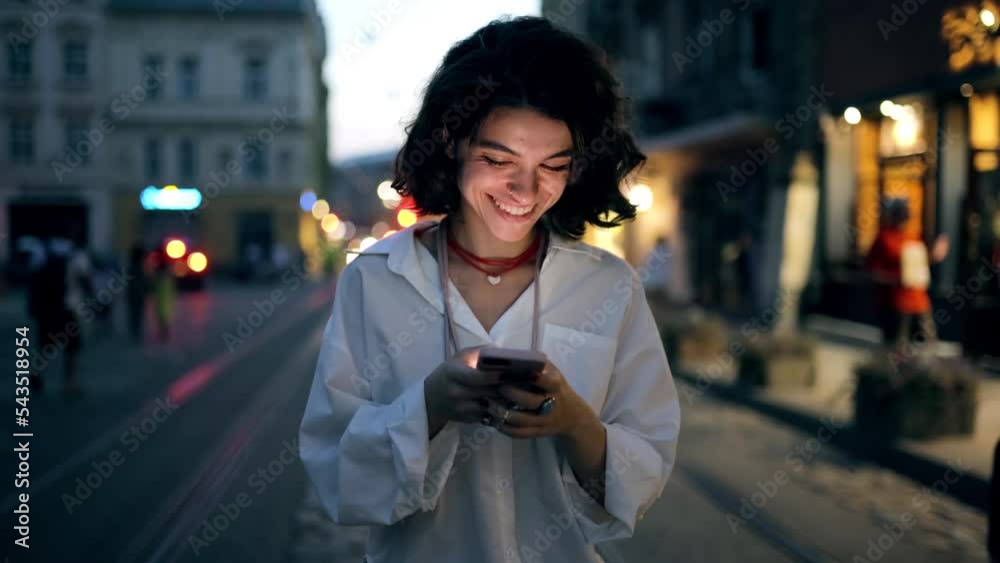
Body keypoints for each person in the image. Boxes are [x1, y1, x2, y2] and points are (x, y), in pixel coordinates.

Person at [299, 17, 681, 563]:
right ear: (451, 142)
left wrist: (574, 421)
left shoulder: (609, 287)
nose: (525, 190)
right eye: (498, 160)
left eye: (553, 165)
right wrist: (428, 407)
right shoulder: (375, 280)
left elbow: (644, 477)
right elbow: (335, 474)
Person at [865, 198, 948, 351]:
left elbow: (920, 262)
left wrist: (935, 255)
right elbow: (872, 273)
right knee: (897, 346)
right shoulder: (884, 239)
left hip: (919, 300)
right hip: (895, 303)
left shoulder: (913, 237)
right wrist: (896, 280)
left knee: (929, 346)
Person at [151, 250, 176, 342]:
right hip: (165, 297)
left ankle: (163, 333)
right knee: (163, 316)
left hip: (162, 296)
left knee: (162, 316)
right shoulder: (167, 272)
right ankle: (164, 333)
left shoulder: (160, 272)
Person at [126, 243, 149, 342]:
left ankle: (135, 332)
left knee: (135, 315)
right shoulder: (137, 267)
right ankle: (135, 332)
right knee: (136, 315)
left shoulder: (134, 266)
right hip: (137, 295)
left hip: (135, 295)